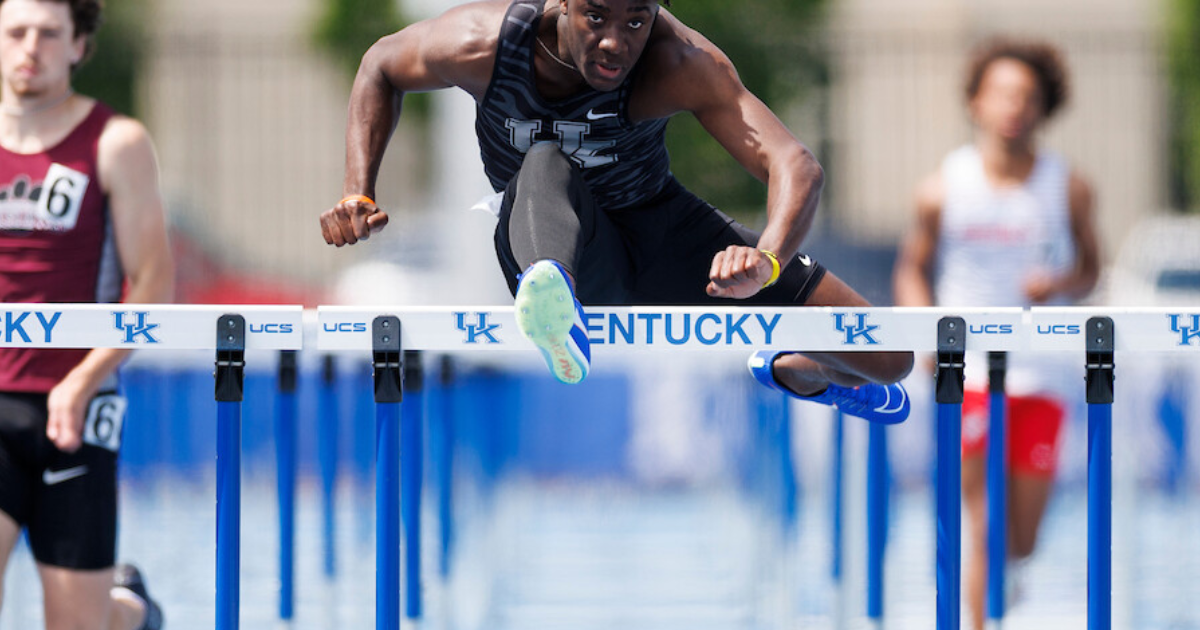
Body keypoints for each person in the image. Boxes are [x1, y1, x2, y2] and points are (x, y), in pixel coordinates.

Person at [320, 0, 913, 423]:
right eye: (596, 16)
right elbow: (381, 65)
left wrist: (767, 260)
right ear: (562, 4)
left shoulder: (678, 62)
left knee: (890, 357)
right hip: (555, 242)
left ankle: (789, 369)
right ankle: (553, 302)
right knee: (545, 158)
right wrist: (358, 190)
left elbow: (795, 164)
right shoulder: (483, 43)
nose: (615, 42)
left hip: (666, 232)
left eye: (637, 20)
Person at [893, 37, 1100, 629]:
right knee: (982, 521)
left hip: (1042, 375)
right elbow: (911, 266)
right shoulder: (942, 187)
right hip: (974, 374)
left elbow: (1090, 272)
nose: (1015, 107)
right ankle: (981, 619)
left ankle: (1002, 586)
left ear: (1045, 107)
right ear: (977, 102)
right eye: (1004, 94)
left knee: (1022, 539)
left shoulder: (1069, 187)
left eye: (1028, 97)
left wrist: (1059, 279)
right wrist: (926, 332)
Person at [0, 0, 172, 628]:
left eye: (48, 34)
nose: (29, 47)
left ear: (77, 46)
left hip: (78, 401)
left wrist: (81, 379)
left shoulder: (114, 142)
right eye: (15, 32)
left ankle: (130, 611)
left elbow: (152, 282)